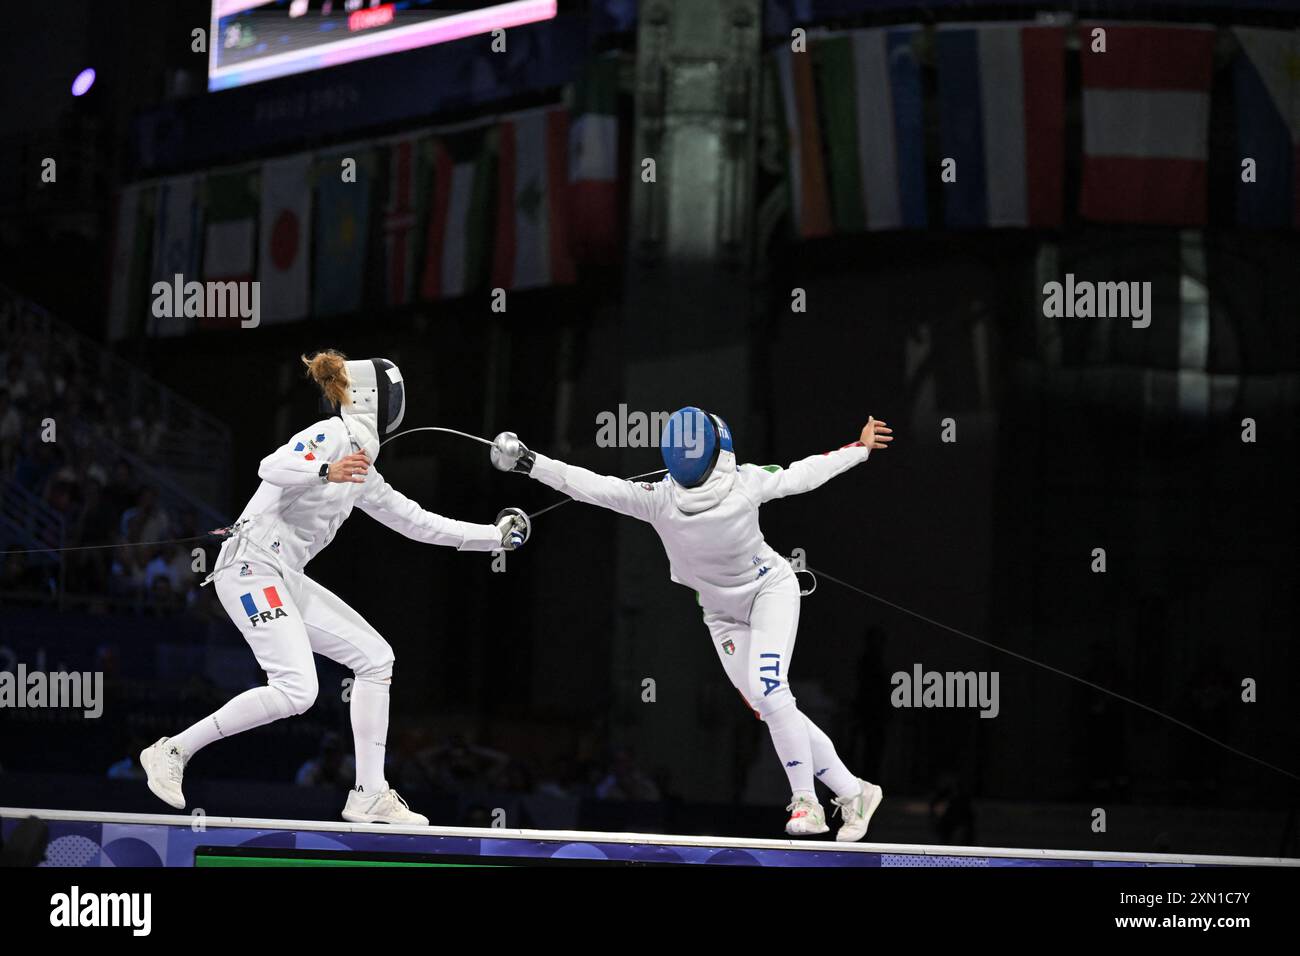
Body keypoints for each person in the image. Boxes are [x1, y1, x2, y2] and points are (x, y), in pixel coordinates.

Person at [140, 350, 531, 825]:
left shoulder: (363, 469)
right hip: (249, 568)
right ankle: (172, 751)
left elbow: (419, 524)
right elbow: (271, 466)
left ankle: (369, 793)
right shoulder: (331, 436)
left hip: (284, 577)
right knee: (297, 690)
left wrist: (495, 538)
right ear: (378, 400)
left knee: (375, 658)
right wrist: (326, 470)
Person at [491, 408, 891, 840]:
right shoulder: (675, 494)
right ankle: (855, 792)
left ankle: (807, 802)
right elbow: (590, 486)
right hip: (721, 615)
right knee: (771, 706)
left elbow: (805, 473)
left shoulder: (701, 491)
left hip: (769, 592)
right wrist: (532, 463)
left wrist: (860, 450)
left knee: (772, 693)